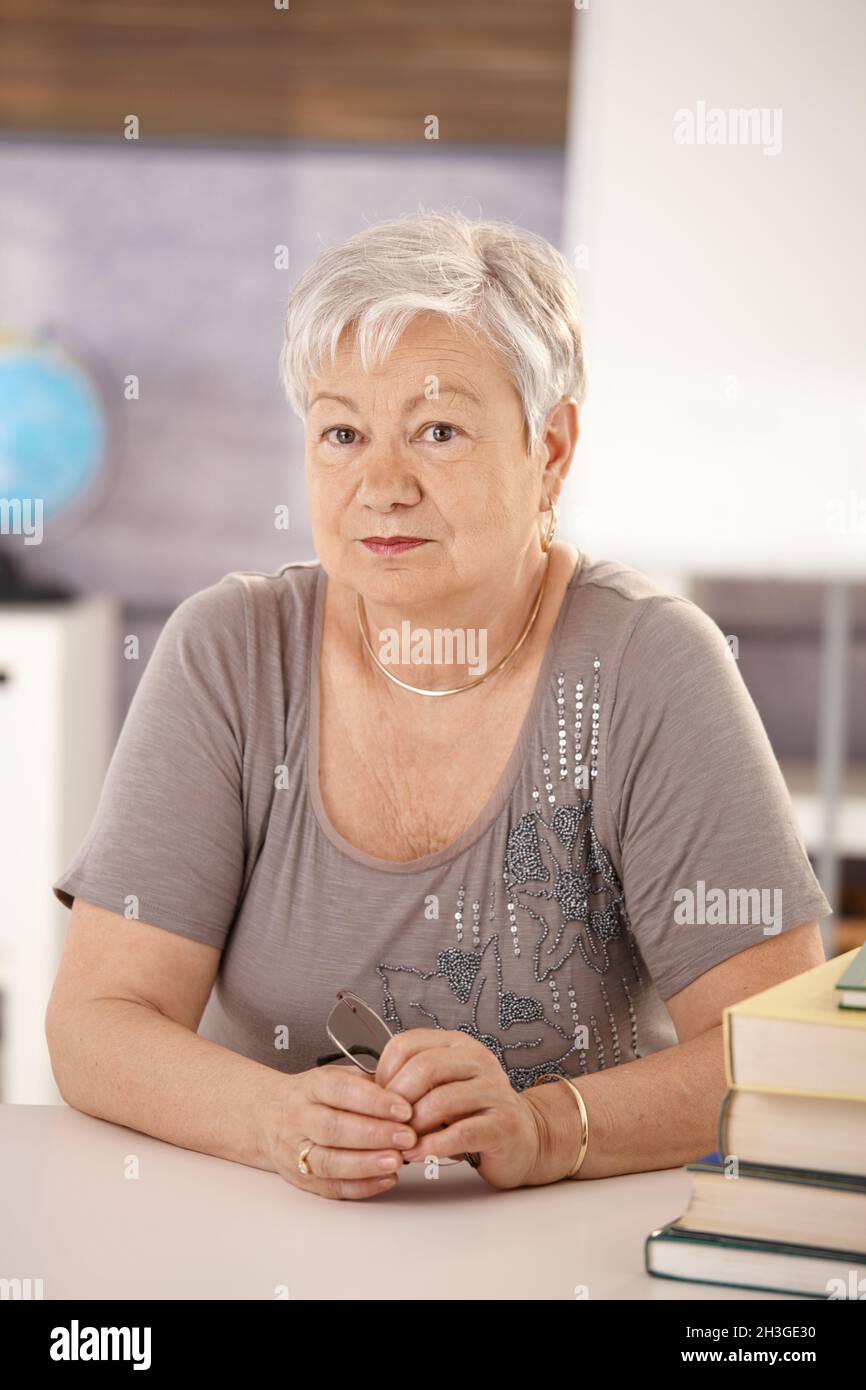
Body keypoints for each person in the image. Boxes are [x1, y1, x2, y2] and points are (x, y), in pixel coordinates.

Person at [47, 211, 830, 1201]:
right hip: (263, 1235)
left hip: (563, 1246)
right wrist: (275, 1121)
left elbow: (781, 1054)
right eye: (342, 433)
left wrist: (547, 1126)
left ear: (550, 449)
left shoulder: (650, 667)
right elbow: (98, 1021)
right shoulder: (229, 652)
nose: (381, 486)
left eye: (437, 431)